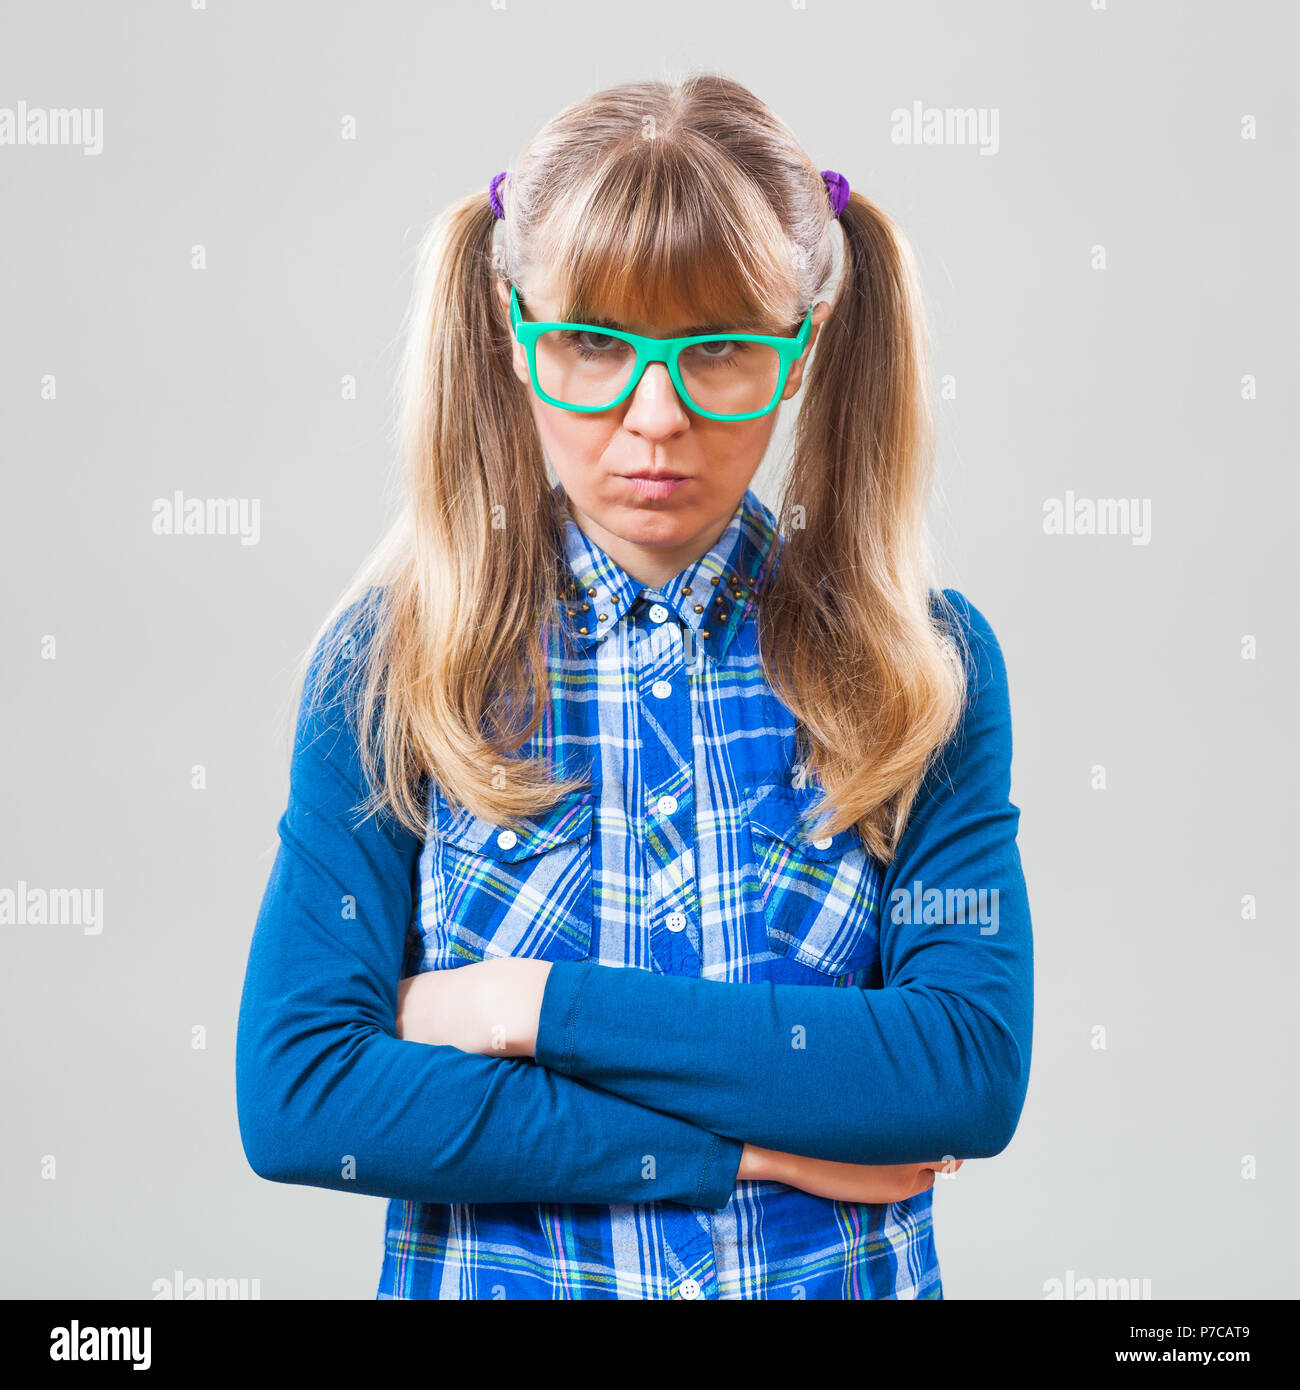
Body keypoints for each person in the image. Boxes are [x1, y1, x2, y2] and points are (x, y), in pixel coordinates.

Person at [235, 72, 1033, 1300]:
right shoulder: (394, 666)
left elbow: (960, 1071)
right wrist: (739, 1148)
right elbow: (301, 1094)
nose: (652, 416)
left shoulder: (922, 669)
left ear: (800, 347)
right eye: (593, 344)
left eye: (717, 351)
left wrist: (519, 1003)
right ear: (514, 330)